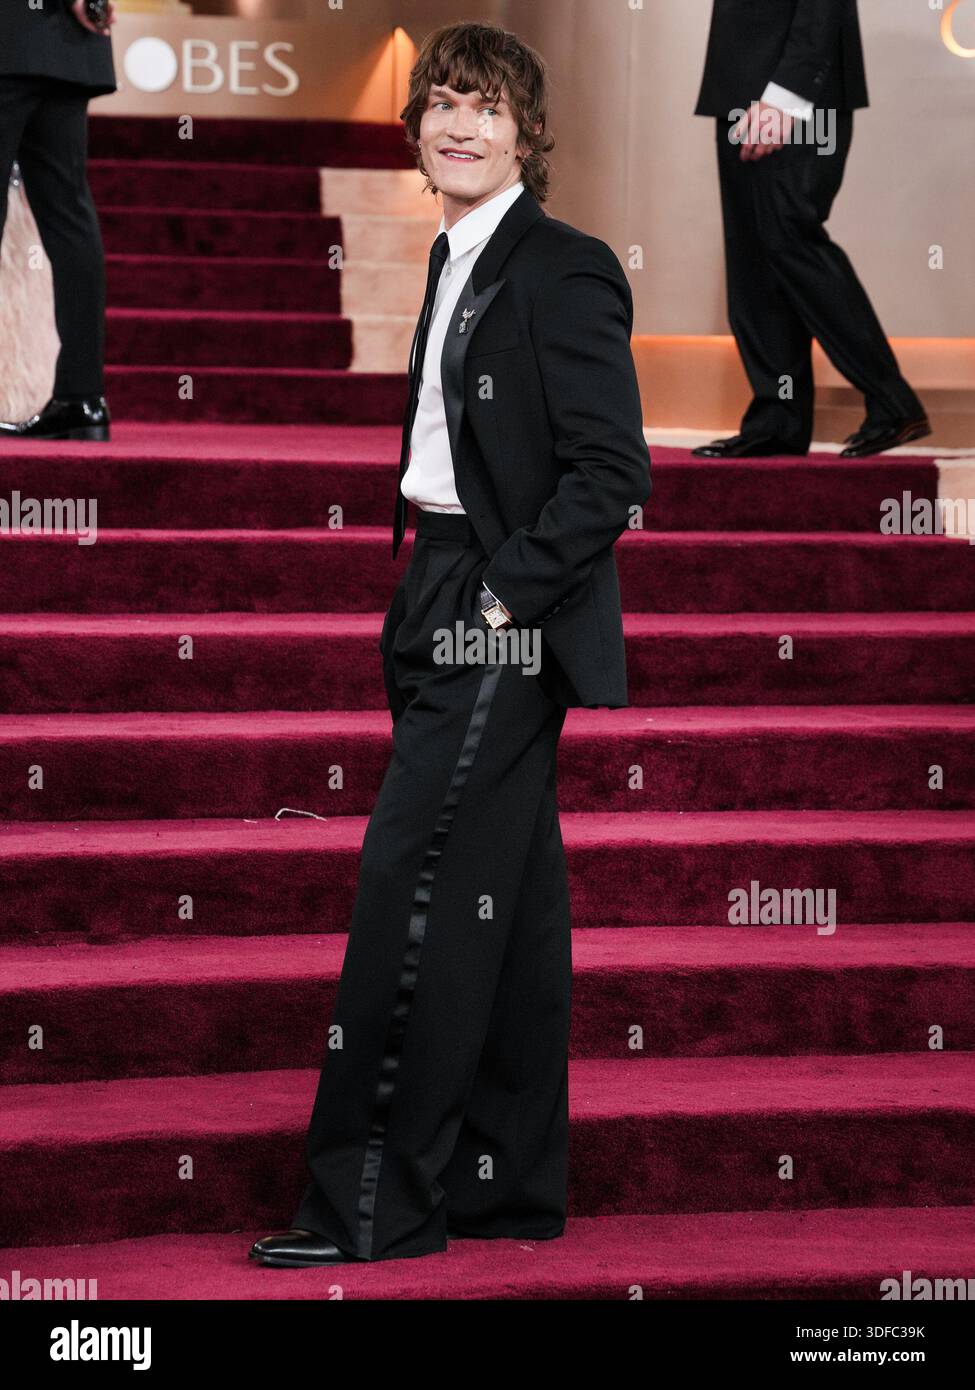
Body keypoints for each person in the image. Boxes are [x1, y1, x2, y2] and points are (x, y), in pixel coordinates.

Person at [251, 20, 651, 1268]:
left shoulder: (562, 264)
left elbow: (610, 473)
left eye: (485, 107)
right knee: (510, 897)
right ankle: (504, 1183)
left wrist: (497, 604)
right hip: (434, 580)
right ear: (418, 129)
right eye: (442, 105)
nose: (460, 125)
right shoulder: (453, 253)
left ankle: (370, 1202)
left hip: (497, 609)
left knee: (410, 889)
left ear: (528, 132)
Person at [692, 0, 929, 459]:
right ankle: (777, 421)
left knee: (789, 240)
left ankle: (894, 402)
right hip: (741, 86)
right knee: (754, 258)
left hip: (794, 95)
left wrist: (788, 94)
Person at [0, 1, 116, 442]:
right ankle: (82, 399)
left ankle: (80, 398)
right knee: (69, 213)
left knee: (69, 213)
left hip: (12, 33)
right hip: (66, 44)